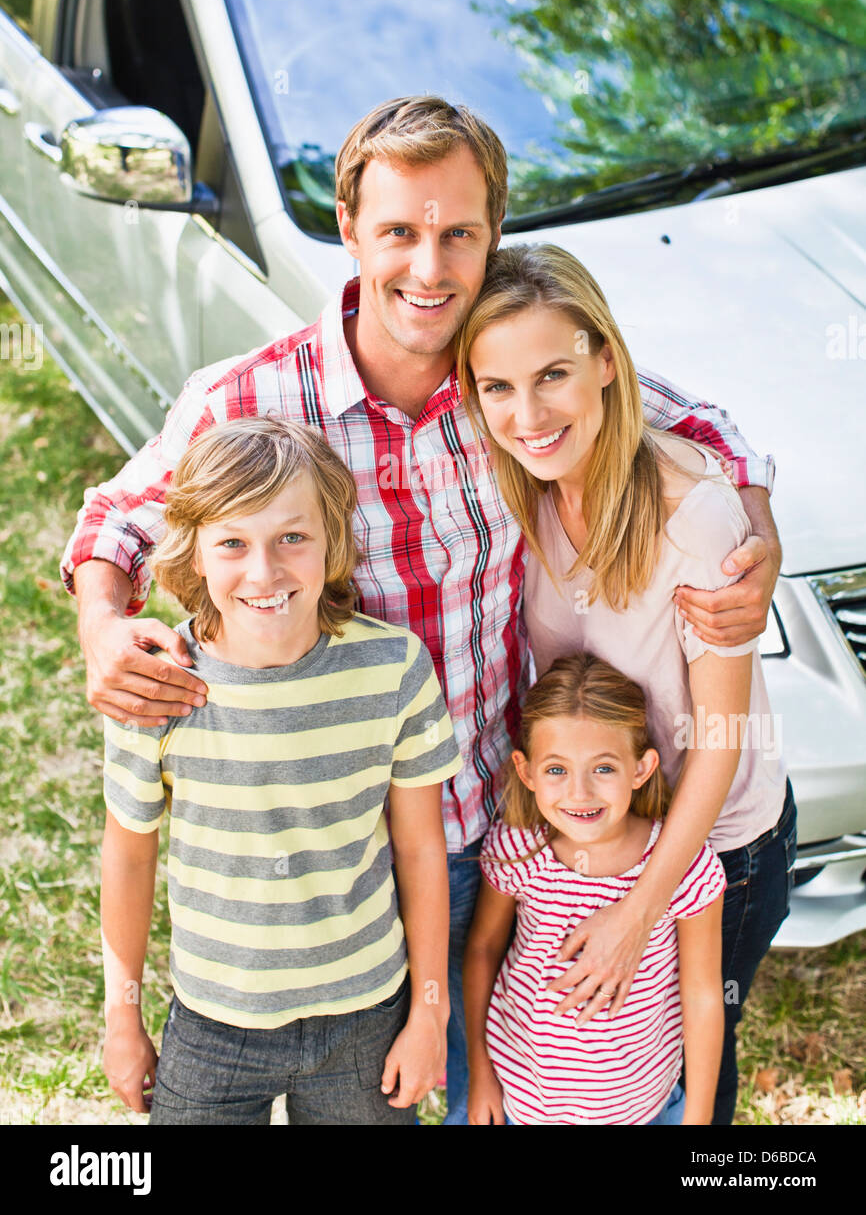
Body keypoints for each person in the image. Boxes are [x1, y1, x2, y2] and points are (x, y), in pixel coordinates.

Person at [64, 96, 781, 1124]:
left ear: (494, 236)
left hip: (503, 815)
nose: (428, 268)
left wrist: (756, 524)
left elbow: (697, 422)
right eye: (398, 232)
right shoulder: (254, 399)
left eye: (458, 234)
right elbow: (115, 517)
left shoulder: (502, 371)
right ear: (350, 231)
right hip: (346, 848)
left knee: (552, 1071)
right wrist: (99, 621)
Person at [456, 242, 796, 1124]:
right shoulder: (519, 487)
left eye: (554, 376)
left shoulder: (698, 517)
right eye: (498, 387)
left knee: (687, 1068)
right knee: (592, 1044)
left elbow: (719, 747)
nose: (527, 414)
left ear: (607, 363)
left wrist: (640, 911)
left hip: (709, 841)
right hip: (597, 817)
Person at [101, 416, 460, 1125]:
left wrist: (428, 1014)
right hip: (213, 1022)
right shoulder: (157, 687)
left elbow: (420, 847)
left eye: (292, 537)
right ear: (196, 552)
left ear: (333, 542)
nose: (263, 572)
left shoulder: (394, 668)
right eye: (232, 543)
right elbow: (130, 857)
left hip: (367, 1014)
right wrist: (122, 1019)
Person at [465, 652, 726, 1125]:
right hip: (526, 1105)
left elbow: (705, 995)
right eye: (556, 770)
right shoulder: (517, 850)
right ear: (526, 772)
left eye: (604, 769)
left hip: (643, 1110)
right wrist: (480, 1074)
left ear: (642, 769)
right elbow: (483, 949)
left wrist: (700, 1116)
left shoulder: (684, 867)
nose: (580, 793)